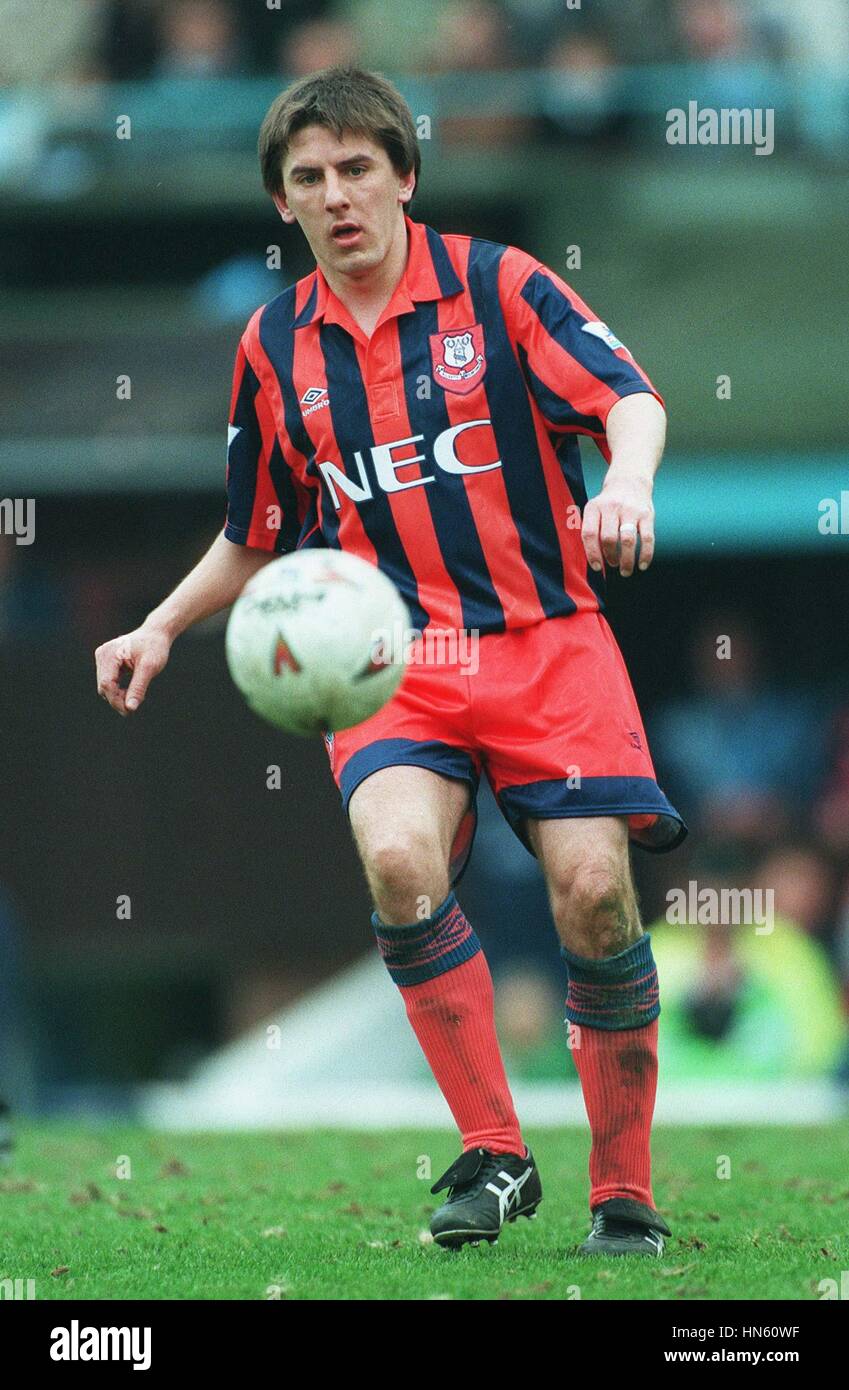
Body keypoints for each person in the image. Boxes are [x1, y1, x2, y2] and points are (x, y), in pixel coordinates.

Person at [95, 65, 685, 1257]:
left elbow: (630, 399)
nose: (337, 195)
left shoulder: (496, 284)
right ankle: (499, 1154)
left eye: (358, 168)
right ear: (284, 205)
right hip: (393, 663)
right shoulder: (272, 344)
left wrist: (625, 483)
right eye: (308, 178)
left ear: (404, 175)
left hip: (548, 640)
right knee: (404, 864)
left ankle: (624, 1192)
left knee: (592, 895)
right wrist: (160, 624)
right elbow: (253, 533)